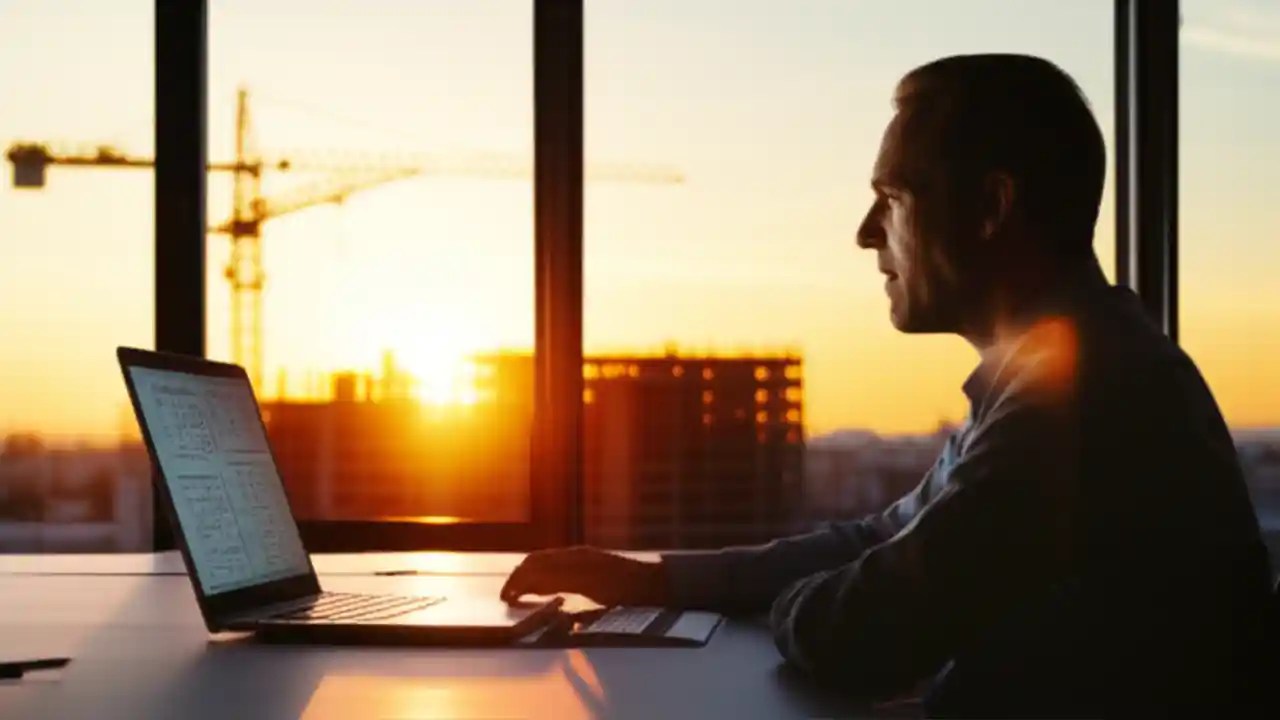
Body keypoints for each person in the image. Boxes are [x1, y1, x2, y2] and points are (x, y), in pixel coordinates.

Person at [500, 54, 1275, 714]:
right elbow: (881, 541)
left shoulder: (1082, 394)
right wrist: (657, 579)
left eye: (893, 198)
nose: (867, 233)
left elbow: (861, 635)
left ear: (990, 208)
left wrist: (784, 606)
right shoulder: (1071, 366)